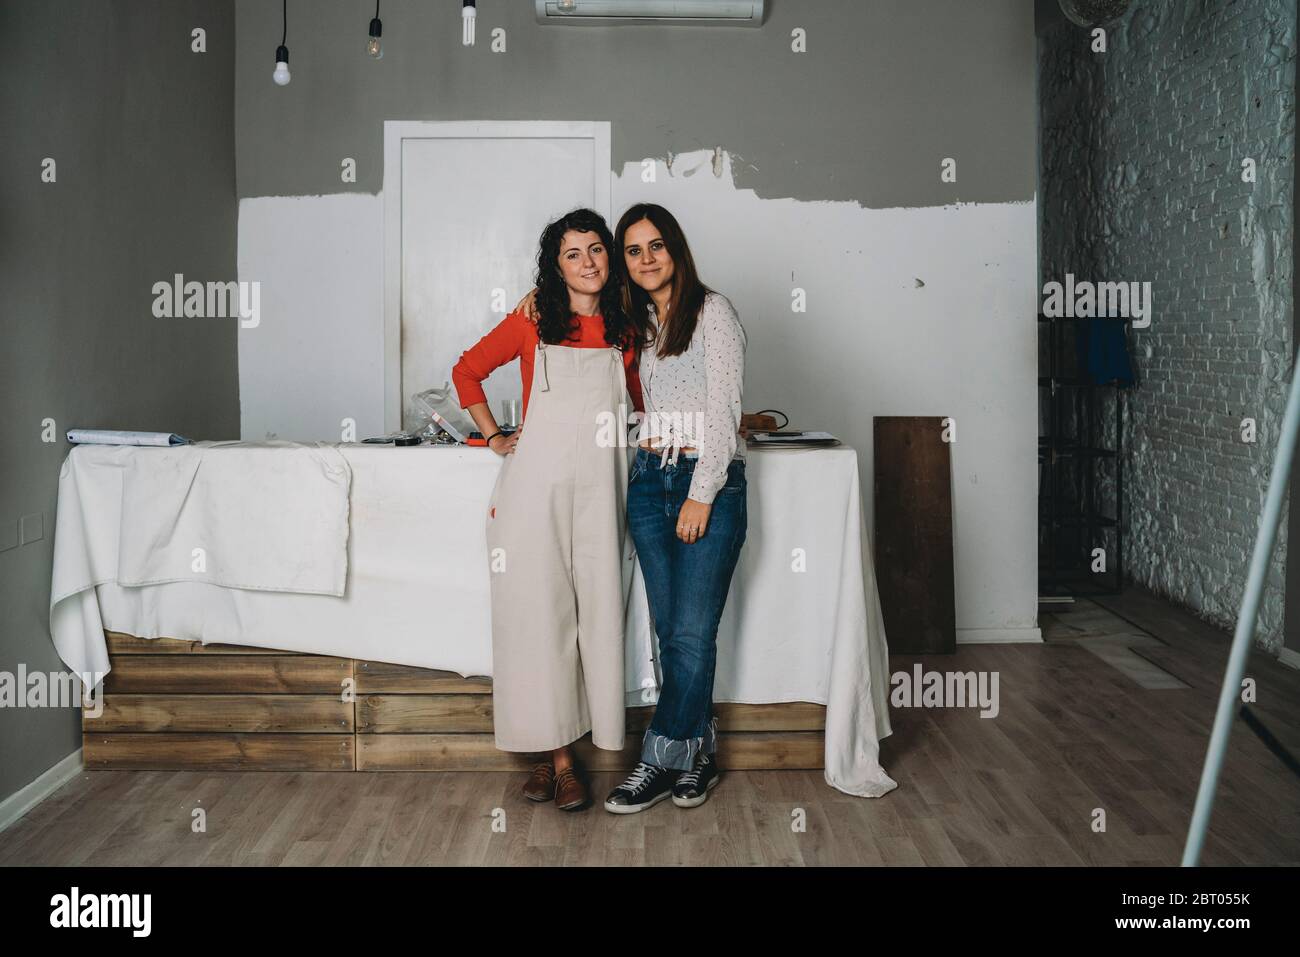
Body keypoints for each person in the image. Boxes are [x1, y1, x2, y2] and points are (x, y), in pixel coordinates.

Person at [451, 208, 651, 811]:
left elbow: (642, 404)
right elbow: (466, 373)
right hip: (532, 498)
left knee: (594, 620)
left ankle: (576, 752)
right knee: (538, 623)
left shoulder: (627, 332)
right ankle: (557, 764)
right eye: (572, 254)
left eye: (596, 250)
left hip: (600, 497)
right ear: (555, 266)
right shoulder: (530, 323)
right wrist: (492, 437)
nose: (587, 262)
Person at [603, 204, 748, 812]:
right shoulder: (641, 321)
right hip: (648, 483)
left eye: (655, 246)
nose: (645, 259)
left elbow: (724, 410)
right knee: (672, 634)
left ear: (676, 248)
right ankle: (700, 753)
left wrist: (701, 491)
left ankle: (657, 759)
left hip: (702, 482)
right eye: (633, 251)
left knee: (690, 632)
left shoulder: (713, 312)